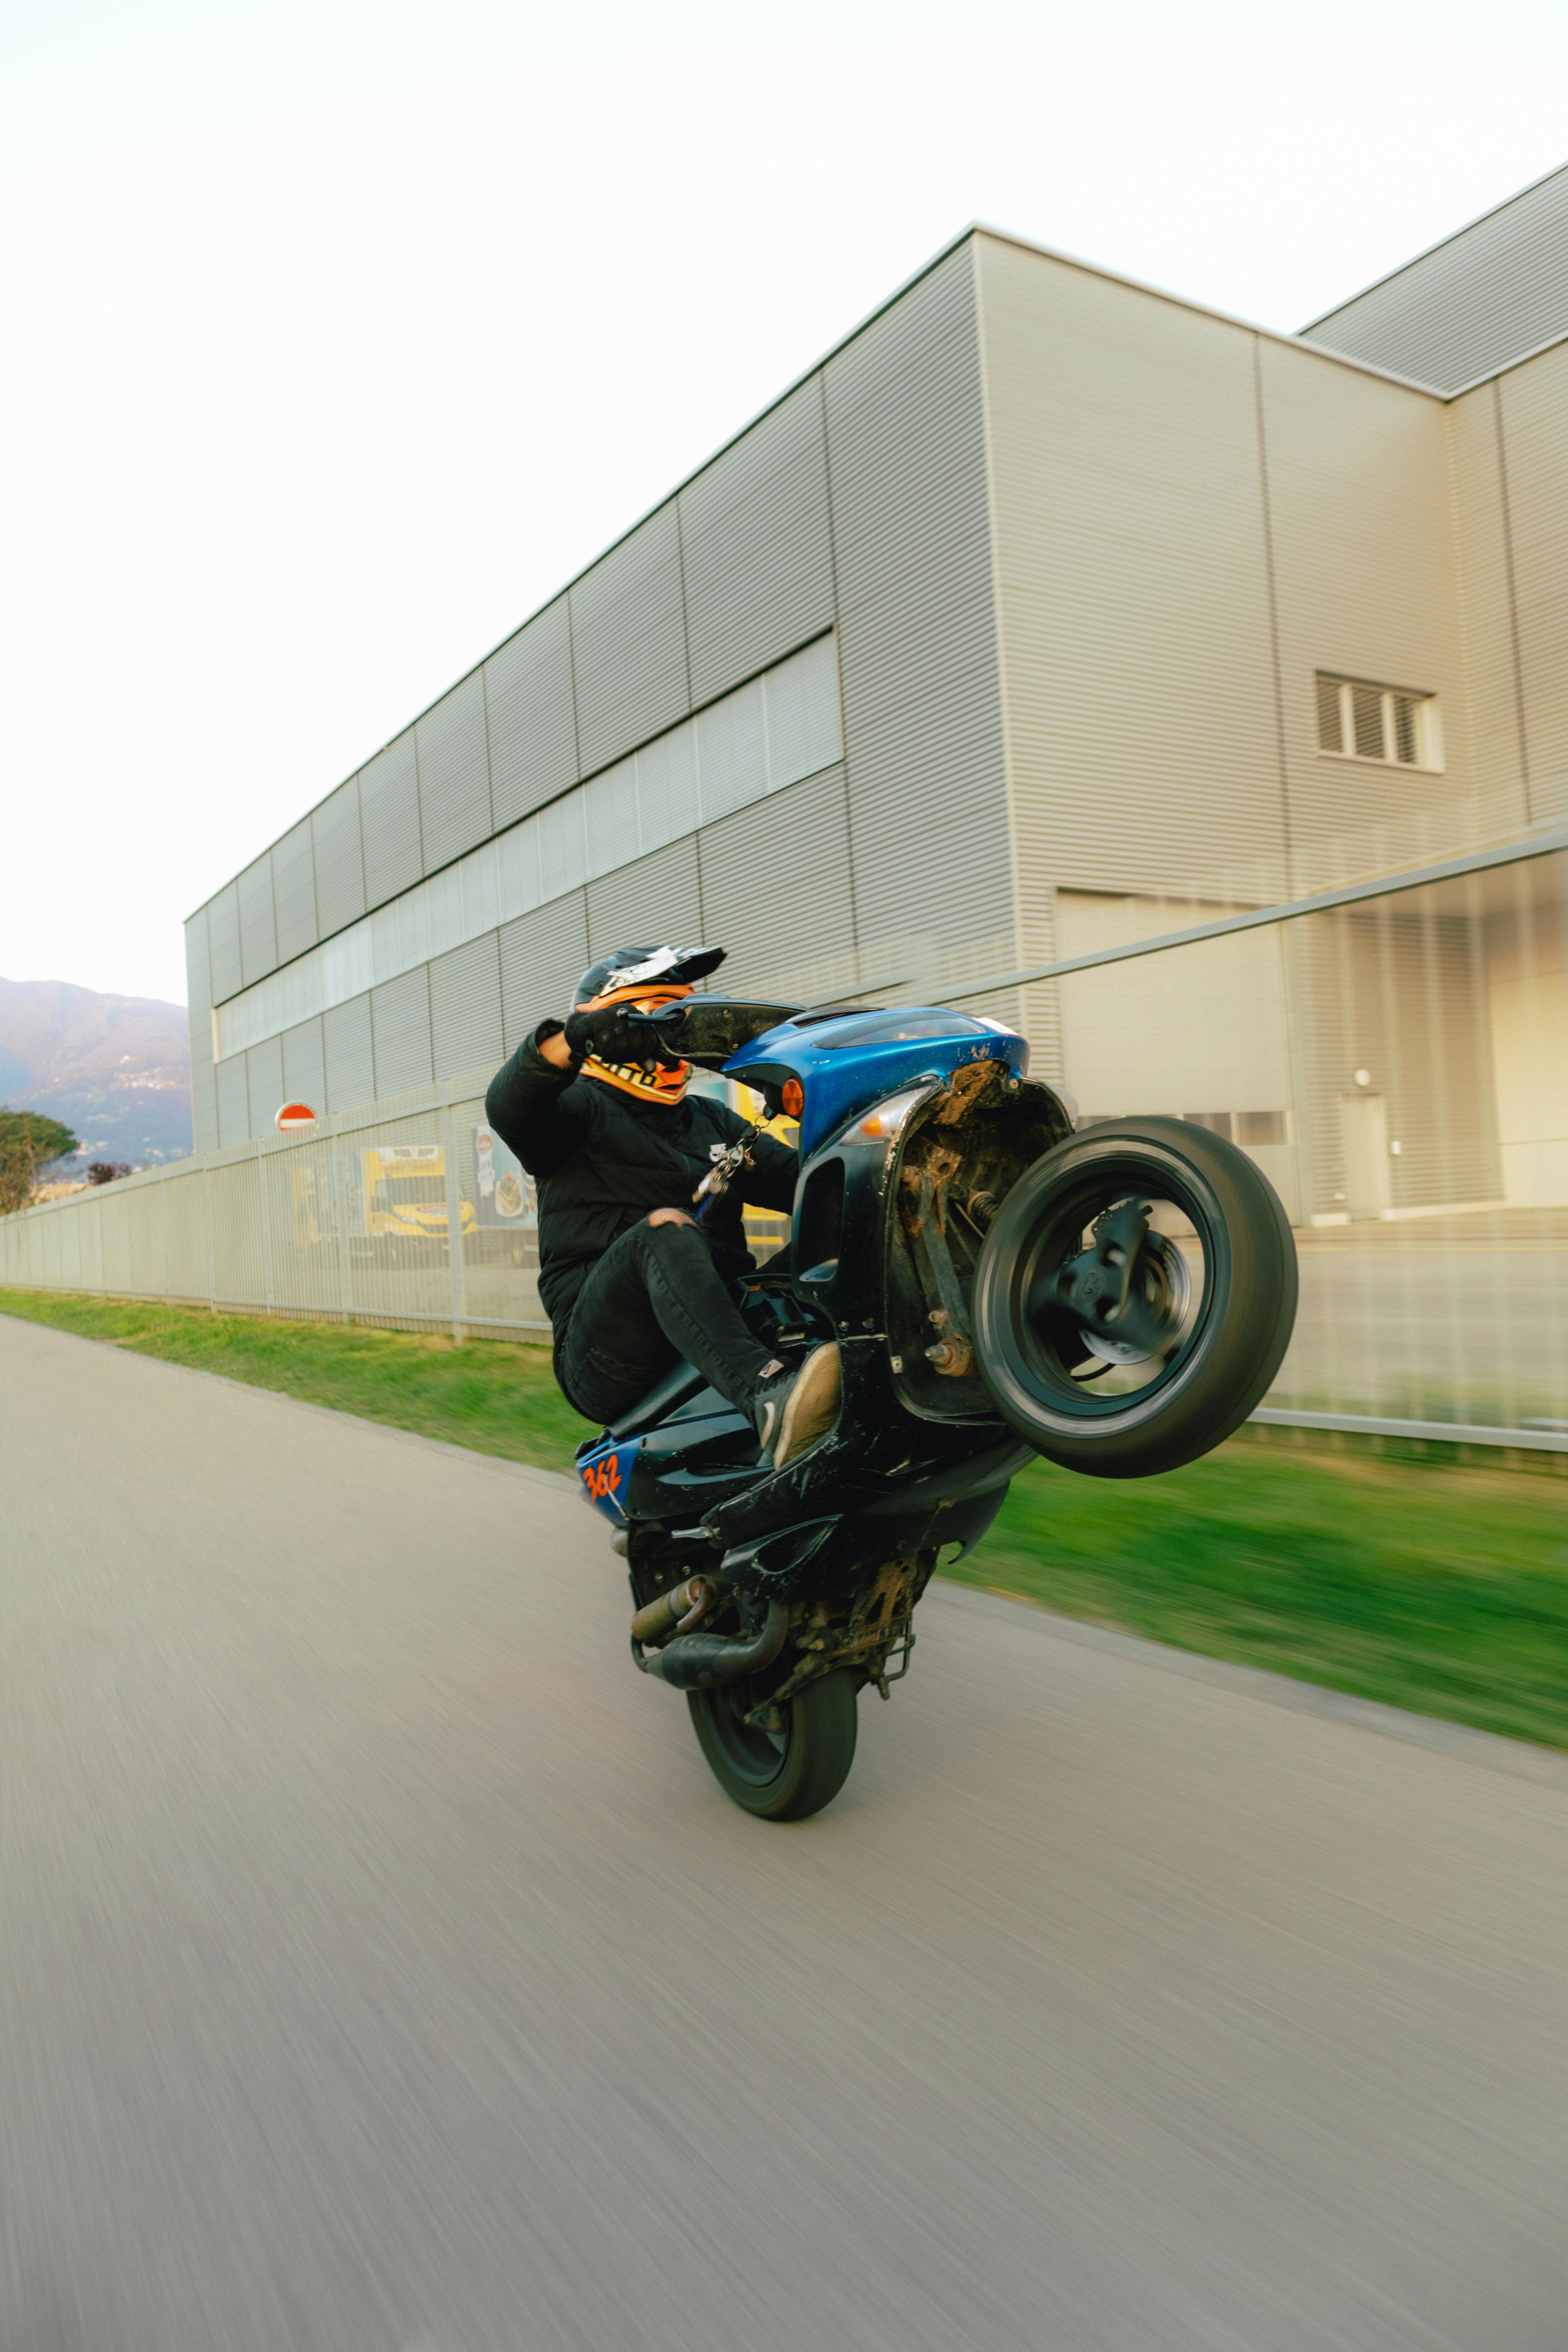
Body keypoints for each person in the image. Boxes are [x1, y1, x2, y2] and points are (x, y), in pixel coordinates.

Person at [484, 944, 842, 1468]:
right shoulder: (576, 1109)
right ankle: (769, 1397)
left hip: (725, 1323)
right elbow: (509, 1107)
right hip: (607, 1360)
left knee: (848, 1208)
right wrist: (576, 1036)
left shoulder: (713, 1120)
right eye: (658, 1019)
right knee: (665, 1229)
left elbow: (817, 1187)